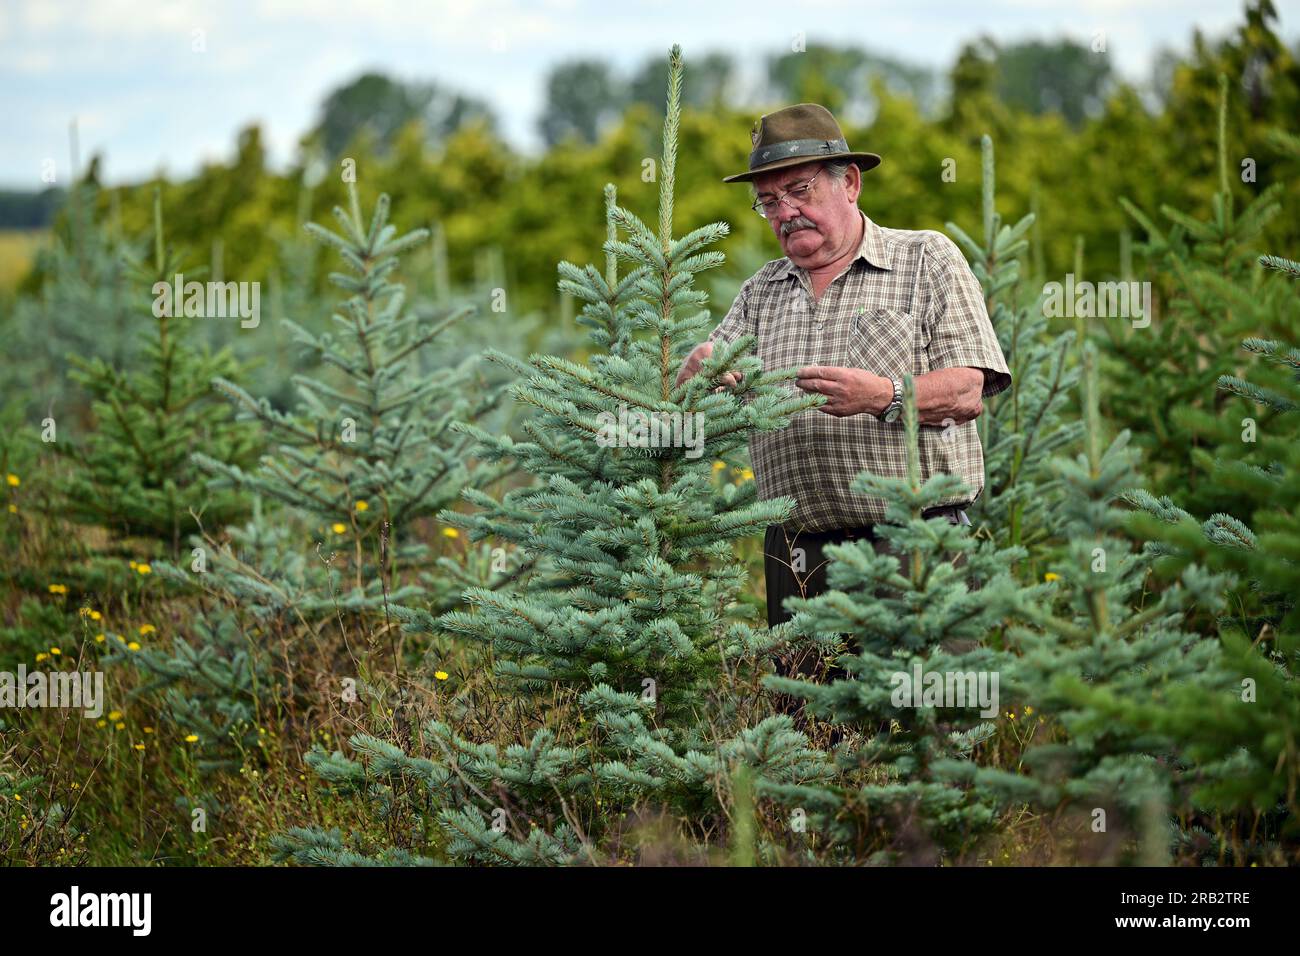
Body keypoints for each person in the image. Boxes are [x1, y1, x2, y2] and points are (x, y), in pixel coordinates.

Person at [674, 103, 1012, 702]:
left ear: (850, 183)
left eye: (798, 191)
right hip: (799, 558)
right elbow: (695, 396)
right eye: (768, 201)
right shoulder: (761, 293)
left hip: (912, 542)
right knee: (810, 736)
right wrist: (698, 371)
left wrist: (884, 394)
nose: (785, 212)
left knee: (926, 730)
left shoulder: (924, 261)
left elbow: (968, 388)